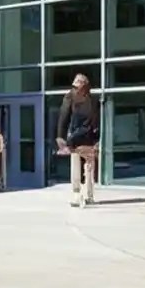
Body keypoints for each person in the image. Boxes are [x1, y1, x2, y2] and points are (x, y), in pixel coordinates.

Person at [55, 73, 100, 208]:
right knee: (85, 166)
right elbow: (64, 116)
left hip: (80, 138)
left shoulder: (74, 97)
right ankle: (85, 195)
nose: (75, 88)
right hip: (82, 138)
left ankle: (81, 194)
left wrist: (60, 136)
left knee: (84, 167)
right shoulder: (89, 99)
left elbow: (64, 116)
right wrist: (60, 136)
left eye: (77, 85)